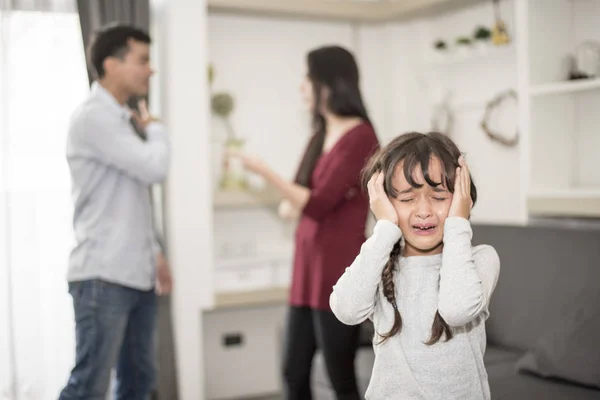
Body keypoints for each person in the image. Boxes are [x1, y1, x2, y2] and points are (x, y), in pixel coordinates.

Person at [228, 46, 380, 400]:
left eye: (306, 78)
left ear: (328, 83)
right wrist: (291, 197)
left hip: (336, 271)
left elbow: (317, 203)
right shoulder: (319, 134)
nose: (302, 87)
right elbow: (294, 202)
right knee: (293, 372)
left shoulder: (361, 137)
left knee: (339, 374)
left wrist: (263, 171)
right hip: (307, 269)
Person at [329, 131, 501, 399]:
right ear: (385, 203)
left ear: (461, 200)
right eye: (408, 199)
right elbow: (346, 310)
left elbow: (456, 310)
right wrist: (384, 228)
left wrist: (458, 223)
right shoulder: (380, 264)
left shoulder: (481, 259)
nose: (424, 211)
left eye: (440, 197)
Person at [59, 23, 171, 400]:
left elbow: (131, 197)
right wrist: (156, 130)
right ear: (111, 65)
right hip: (103, 277)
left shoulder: (119, 119)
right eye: (143, 60)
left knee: (138, 385)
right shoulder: (94, 118)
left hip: (135, 275)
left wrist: (155, 253)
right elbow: (154, 168)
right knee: (88, 387)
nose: (150, 69)